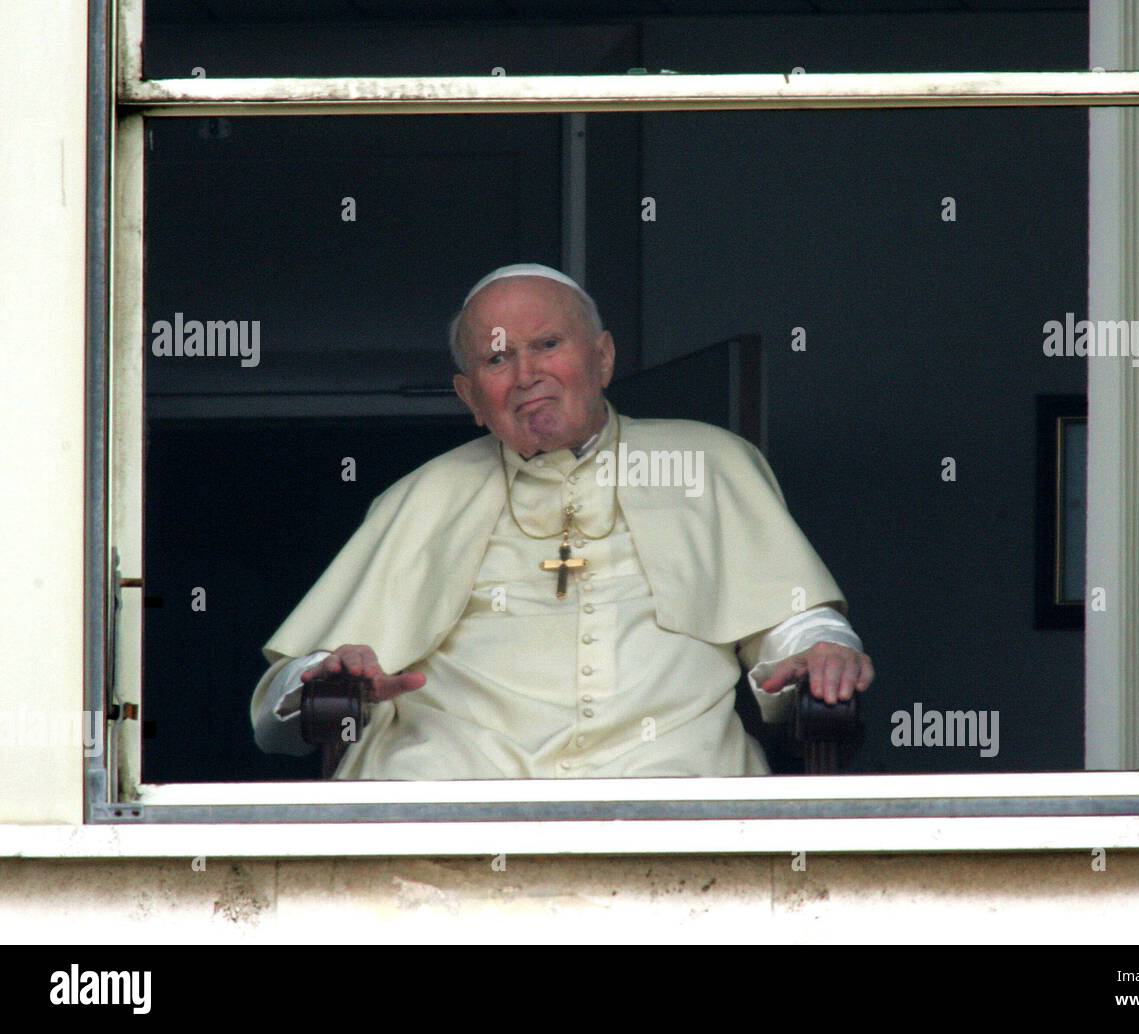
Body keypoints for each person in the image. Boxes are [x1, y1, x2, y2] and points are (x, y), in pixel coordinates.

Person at [250, 263, 874, 779]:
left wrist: (825, 650)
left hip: (669, 783)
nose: (527, 376)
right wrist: (325, 671)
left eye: (548, 345)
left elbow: (795, 619)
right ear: (469, 399)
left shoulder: (706, 462)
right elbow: (287, 700)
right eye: (497, 361)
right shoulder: (426, 494)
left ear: (602, 359)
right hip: (455, 795)